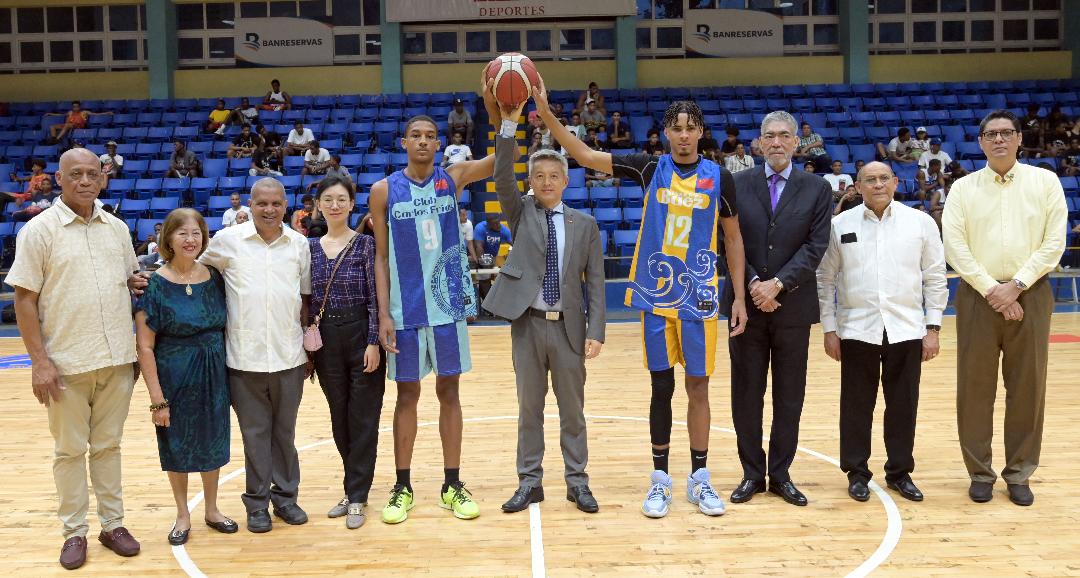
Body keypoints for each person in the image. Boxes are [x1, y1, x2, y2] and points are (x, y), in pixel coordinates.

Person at [534, 77, 748, 519]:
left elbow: (733, 237)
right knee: (661, 387)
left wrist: (739, 296)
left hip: (701, 298)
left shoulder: (719, 177)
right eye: (676, 127)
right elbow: (585, 155)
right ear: (666, 133)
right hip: (655, 296)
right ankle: (661, 481)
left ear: (700, 132)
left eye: (691, 128)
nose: (684, 135)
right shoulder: (650, 168)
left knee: (698, 386)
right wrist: (548, 114)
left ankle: (700, 478)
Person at [9, 147, 142, 569]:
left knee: (108, 447)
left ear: (103, 178)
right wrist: (40, 362)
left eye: (92, 174)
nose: (85, 181)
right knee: (69, 452)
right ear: (59, 179)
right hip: (65, 364)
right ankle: (74, 532)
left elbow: (126, 281)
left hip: (117, 360)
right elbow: (24, 300)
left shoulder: (118, 229)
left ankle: (112, 525)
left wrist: (135, 283)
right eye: (75, 174)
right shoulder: (39, 231)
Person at [368, 106, 497, 524]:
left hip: (448, 305)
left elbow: (503, 158)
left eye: (429, 135)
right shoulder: (384, 190)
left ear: (439, 144)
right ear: (404, 143)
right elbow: (381, 259)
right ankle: (402, 485)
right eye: (415, 135)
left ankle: (452, 484)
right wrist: (384, 314)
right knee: (407, 396)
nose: (423, 141)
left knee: (450, 394)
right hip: (405, 312)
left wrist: (506, 119)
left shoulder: (452, 178)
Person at [481, 89, 606, 515]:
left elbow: (597, 285)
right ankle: (529, 482)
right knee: (528, 411)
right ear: (530, 182)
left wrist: (597, 331)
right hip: (528, 325)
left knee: (574, 413)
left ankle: (578, 482)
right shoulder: (521, 213)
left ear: (566, 181)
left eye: (554, 175)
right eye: (539, 176)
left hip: (570, 328)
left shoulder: (586, 225)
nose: (547, 182)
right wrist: (509, 124)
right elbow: (500, 175)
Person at [941, 110, 1068, 507]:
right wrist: (992, 290)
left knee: (1028, 388)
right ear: (980, 142)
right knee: (975, 390)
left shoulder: (1045, 182)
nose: (998, 139)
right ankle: (980, 472)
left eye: (1006, 133)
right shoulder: (962, 188)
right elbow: (955, 245)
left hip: (1031, 293)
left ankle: (1019, 473)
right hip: (977, 297)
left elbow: (1053, 243)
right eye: (990, 134)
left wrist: (1015, 286)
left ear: (1018, 139)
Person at [817, 161, 948, 504]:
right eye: (870, 180)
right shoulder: (839, 225)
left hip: (906, 328)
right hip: (856, 329)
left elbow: (935, 277)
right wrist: (830, 328)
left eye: (883, 178)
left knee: (903, 405)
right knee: (857, 405)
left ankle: (900, 472)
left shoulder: (920, 223)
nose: (877, 184)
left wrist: (932, 327)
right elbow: (825, 279)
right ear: (858, 187)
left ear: (895, 182)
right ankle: (857, 473)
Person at [185, 179, 311, 532]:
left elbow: (304, 300)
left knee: (284, 434)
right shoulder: (228, 241)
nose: (269, 210)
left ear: (286, 205)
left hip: (289, 356)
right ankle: (256, 504)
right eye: (262, 204)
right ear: (250, 206)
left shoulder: (299, 245)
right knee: (255, 435)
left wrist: (310, 349)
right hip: (243, 359)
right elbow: (192, 267)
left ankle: (286, 498)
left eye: (275, 203)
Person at [723, 110, 832, 508]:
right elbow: (727, 240)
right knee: (746, 393)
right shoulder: (734, 183)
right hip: (745, 307)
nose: (776, 142)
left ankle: (781, 473)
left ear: (796, 142)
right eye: (769, 135)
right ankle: (752, 473)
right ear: (759, 142)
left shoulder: (817, 187)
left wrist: (778, 284)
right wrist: (753, 285)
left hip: (793, 307)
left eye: (784, 135)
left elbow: (815, 247)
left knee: (789, 396)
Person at [134, 209, 237, 545]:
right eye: (182, 234)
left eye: (196, 233)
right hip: (174, 378)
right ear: (168, 239)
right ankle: (182, 513)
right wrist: (157, 400)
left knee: (212, 441)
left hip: (214, 375)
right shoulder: (156, 285)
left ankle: (211, 509)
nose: (190, 240)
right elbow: (145, 347)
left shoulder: (215, 277)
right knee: (175, 445)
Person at [307, 176, 386, 530]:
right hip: (326, 339)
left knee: (363, 419)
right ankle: (353, 487)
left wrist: (373, 341)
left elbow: (374, 298)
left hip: (360, 335)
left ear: (352, 205)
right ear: (318, 205)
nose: (335, 205)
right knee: (339, 416)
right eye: (328, 199)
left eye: (342, 199)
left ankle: (357, 496)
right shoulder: (307, 248)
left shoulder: (365, 245)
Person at [472, 214, 513, 303]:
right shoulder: (480, 228)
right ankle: (488, 304)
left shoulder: (504, 230)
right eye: (495, 224)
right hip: (480, 255)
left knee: (489, 278)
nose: (498, 225)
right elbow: (478, 246)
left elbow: (514, 244)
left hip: (493, 256)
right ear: (488, 224)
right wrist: (483, 262)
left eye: (499, 223)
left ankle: (487, 304)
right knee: (484, 279)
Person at [46, 101, 112, 142]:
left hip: (77, 126)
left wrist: (107, 113)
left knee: (67, 125)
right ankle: (53, 138)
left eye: (77, 107)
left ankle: (57, 139)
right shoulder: (70, 112)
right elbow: (61, 115)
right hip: (68, 125)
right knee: (52, 126)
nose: (75, 108)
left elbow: (96, 114)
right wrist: (50, 114)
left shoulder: (84, 112)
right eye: (74, 107)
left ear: (79, 107)